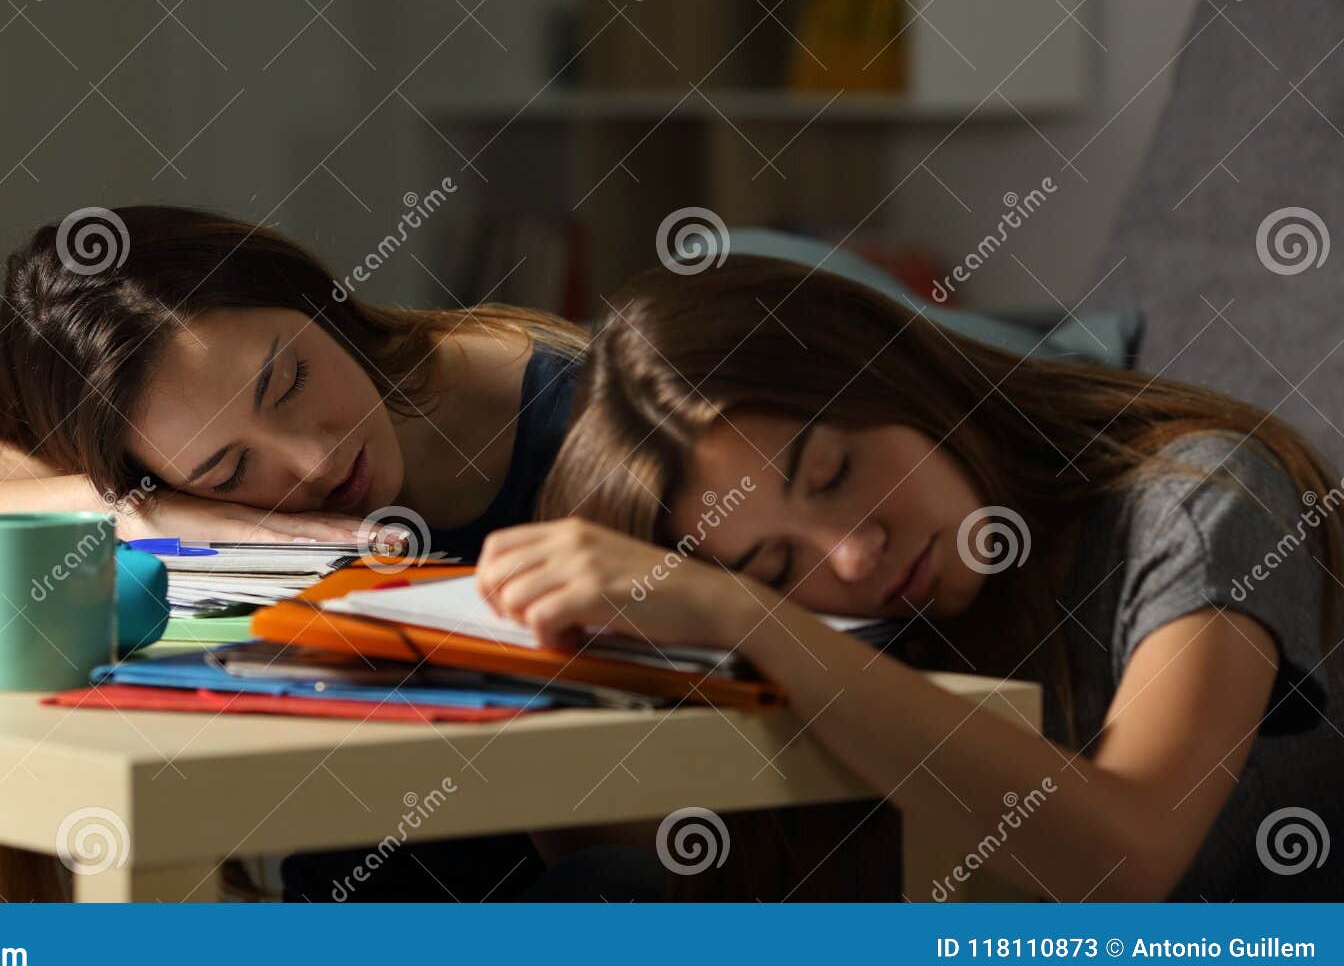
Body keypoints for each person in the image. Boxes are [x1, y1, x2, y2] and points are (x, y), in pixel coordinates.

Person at [474, 256, 1344, 901]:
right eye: (778, 563)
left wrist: (750, 610)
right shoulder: (865, 629)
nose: (851, 556)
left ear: (889, 368)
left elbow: (1122, 858)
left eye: (834, 473)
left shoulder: (1197, 500)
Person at [0, 205, 585, 901]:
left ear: (307, 299)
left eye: (289, 382)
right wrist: (129, 509)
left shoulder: (575, 412)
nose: (314, 460)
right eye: (230, 471)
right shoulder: (146, 482)